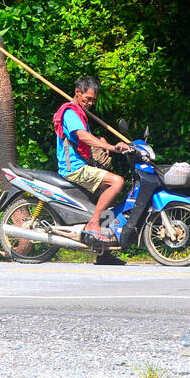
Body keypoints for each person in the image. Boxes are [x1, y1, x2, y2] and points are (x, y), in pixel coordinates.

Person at [54, 76, 132, 257]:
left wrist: (100, 141)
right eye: (87, 99)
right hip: (73, 168)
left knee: (111, 205)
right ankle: (93, 223)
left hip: (82, 164)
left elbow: (84, 139)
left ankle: (104, 253)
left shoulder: (80, 114)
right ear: (77, 93)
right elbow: (81, 136)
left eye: (93, 101)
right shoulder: (71, 113)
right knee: (117, 182)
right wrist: (110, 146)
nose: (89, 103)